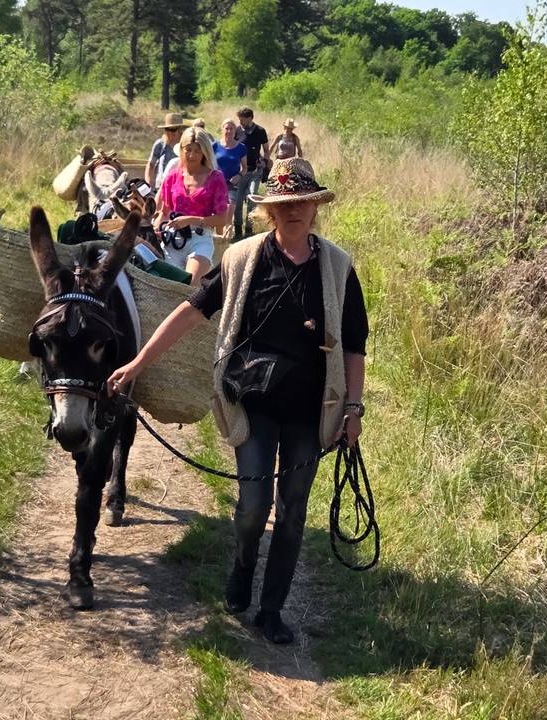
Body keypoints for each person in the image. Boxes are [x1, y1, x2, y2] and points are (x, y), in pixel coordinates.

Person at [107, 158, 368, 645]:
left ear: (315, 207)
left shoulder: (337, 266)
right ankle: (243, 567)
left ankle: (271, 610)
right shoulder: (242, 259)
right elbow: (191, 311)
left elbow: (354, 345)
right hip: (253, 404)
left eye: (302, 203)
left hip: (313, 412)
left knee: (293, 511)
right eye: (283, 205)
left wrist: (353, 408)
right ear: (269, 210)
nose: (294, 212)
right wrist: (139, 362)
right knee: (253, 505)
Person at [155, 127, 229, 283]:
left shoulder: (215, 178)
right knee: (168, 287)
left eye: (197, 151)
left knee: (190, 283)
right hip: (172, 239)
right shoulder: (172, 177)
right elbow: (164, 212)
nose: (192, 155)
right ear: (181, 149)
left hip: (200, 239)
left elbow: (222, 219)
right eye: (188, 150)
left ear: (204, 152)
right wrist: (155, 228)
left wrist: (191, 220)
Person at [234, 108, 271, 239]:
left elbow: (266, 150)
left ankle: (249, 230)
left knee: (252, 198)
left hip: (255, 171)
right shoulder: (237, 130)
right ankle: (237, 231)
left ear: (250, 118)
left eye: (242, 119)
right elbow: (233, 147)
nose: (240, 122)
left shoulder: (260, 131)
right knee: (237, 203)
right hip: (240, 171)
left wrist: (265, 162)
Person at [214, 119, 248, 237]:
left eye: (231, 128)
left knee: (229, 209)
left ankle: (227, 237)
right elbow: (208, 163)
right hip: (216, 183)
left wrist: (239, 175)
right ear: (222, 129)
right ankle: (218, 239)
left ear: (235, 131)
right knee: (219, 211)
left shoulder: (241, 147)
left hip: (232, 183)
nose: (228, 131)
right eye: (226, 128)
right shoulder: (215, 145)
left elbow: (244, 168)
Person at [147, 113, 186, 187]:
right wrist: (149, 181)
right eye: (167, 129)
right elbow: (151, 164)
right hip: (160, 186)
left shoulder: (186, 145)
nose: (170, 132)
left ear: (180, 130)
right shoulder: (160, 144)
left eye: (173, 130)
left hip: (179, 186)